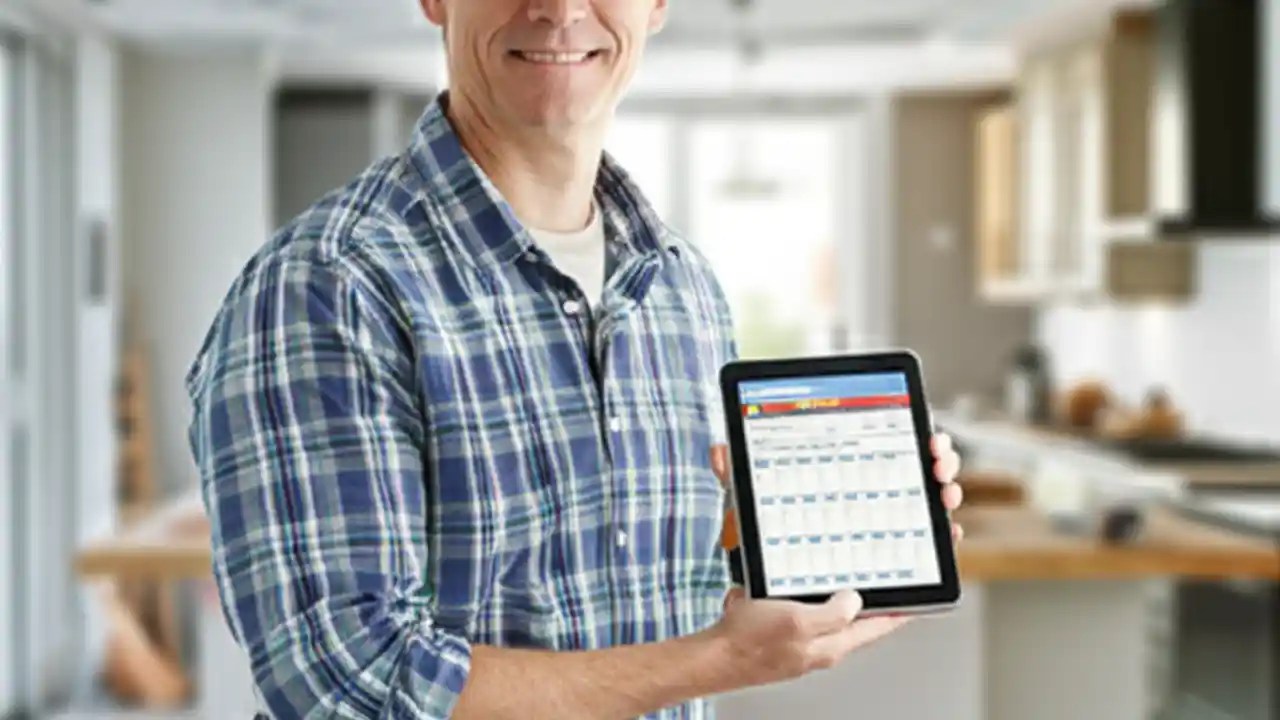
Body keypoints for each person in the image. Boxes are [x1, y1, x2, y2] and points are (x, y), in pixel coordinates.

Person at [186, 1, 965, 718]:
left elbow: (662, 587)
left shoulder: (681, 285)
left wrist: (816, 519)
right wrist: (715, 660)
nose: (559, 9)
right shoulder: (329, 284)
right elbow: (346, 685)